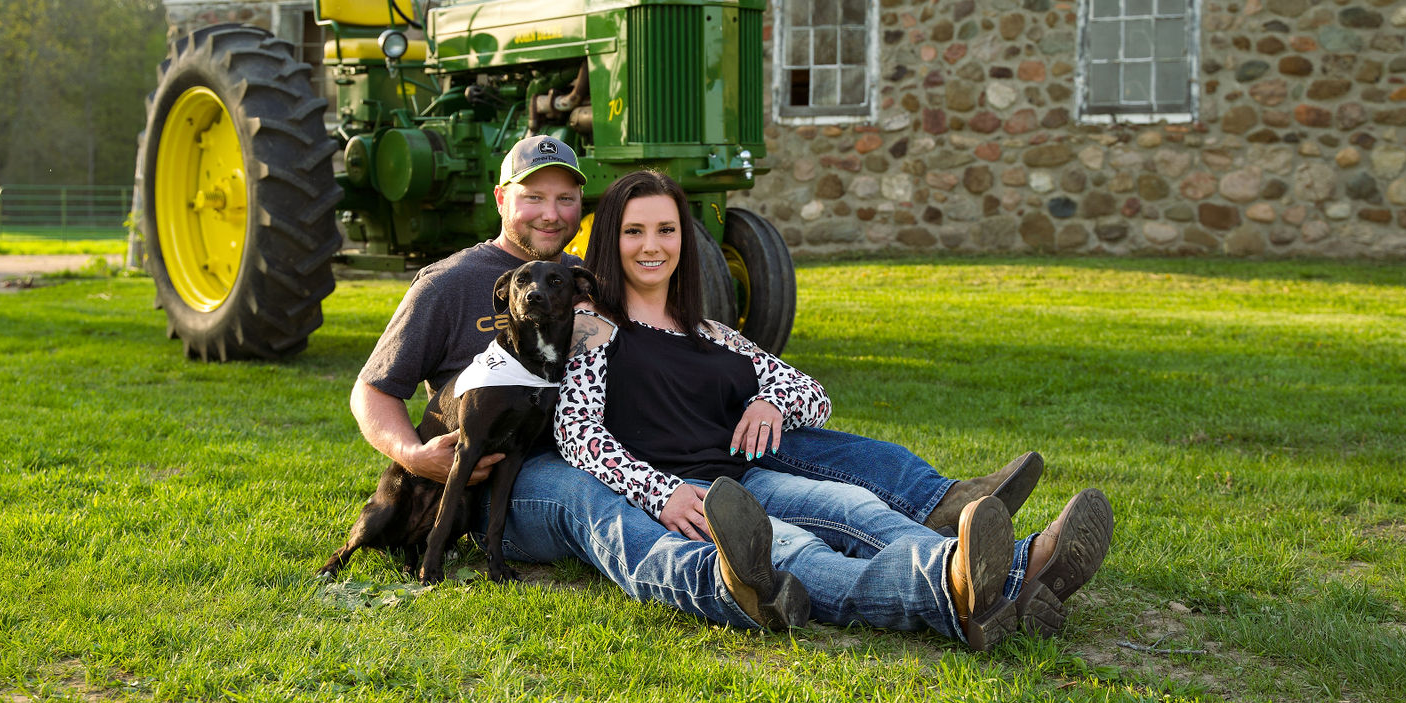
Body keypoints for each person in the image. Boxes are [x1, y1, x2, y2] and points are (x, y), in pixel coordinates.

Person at [351, 135, 1050, 631]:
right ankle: (725, 581)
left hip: (670, 454)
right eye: (534, 197)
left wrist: (767, 397)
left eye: (567, 200)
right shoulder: (453, 285)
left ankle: (984, 547)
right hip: (526, 468)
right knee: (602, 498)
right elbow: (375, 391)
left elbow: (788, 385)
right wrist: (416, 455)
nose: (550, 213)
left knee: (824, 476)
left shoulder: (602, 298)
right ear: (504, 197)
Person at [554, 169, 1114, 647]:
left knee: (859, 509)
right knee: (801, 555)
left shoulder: (712, 332)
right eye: (634, 232)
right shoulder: (594, 327)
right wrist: (661, 492)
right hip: (698, 503)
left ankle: (1014, 570)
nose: (652, 246)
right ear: (610, 240)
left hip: (751, 476)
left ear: (684, 239)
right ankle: (957, 587)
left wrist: (770, 402)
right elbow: (575, 431)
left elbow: (811, 394)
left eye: (666, 230)